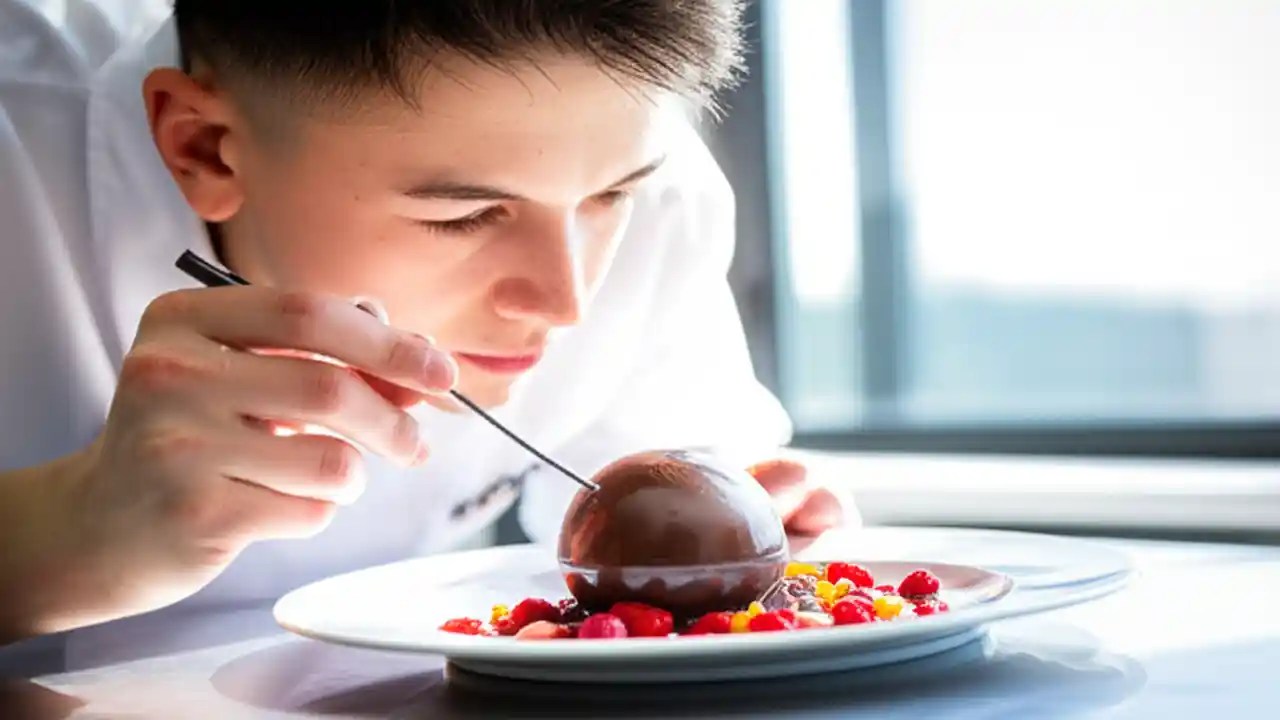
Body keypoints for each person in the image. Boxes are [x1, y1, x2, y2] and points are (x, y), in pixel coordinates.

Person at [0, 0, 856, 668]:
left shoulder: (649, 188)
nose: (564, 301)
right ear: (208, 148)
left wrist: (754, 523)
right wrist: (63, 535)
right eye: (467, 214)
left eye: (611, 197)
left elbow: (686, 518)